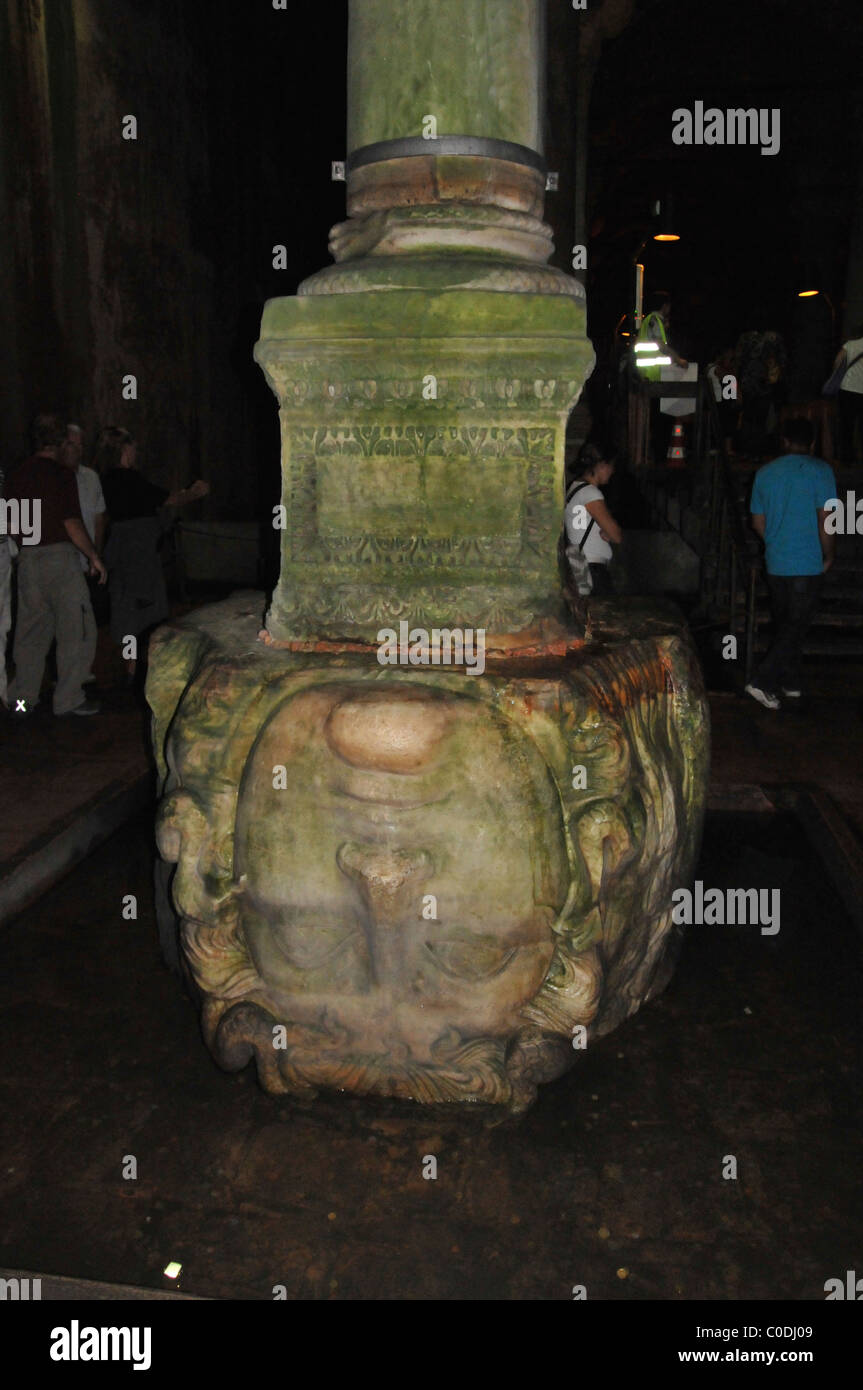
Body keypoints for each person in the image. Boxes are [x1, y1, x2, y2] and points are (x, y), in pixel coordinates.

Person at [4, 412, 107, 717]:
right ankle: (68, 699)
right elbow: (71, 522)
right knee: (78, 629)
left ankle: (22, 700)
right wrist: (93, 555)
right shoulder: (60, 474)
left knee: (31, 636)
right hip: (59, 561)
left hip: (28, 561)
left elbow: (11, 522)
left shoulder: (17, 475)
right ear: (60, 442)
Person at [96, 427, 208, 680]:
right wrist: (195, 492)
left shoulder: (104, 480)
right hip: (138, 554)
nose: (136, 452)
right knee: (143, 608)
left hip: (122, 553)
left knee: (126, 606)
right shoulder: (128, 480)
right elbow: (169, 499)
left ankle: (131, 665)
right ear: (124, 450)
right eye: (132, 447)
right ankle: (138, 669)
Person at [745, 417, 836, 710]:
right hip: (806, 561)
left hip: (777, 560)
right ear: (812, 443)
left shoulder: (765, 473)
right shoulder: (821, 472)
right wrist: (828, 553)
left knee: (786, 624)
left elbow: (757, 521)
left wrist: (775, 539)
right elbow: (827, 519)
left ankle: (790, 680)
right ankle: (762, 681)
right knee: (796, 624)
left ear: (784, 441)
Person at [564, 443, 623, 596]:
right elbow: (616, 535)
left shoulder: (574, 488)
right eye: (611, 466)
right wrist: (609, 530)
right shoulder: (591, 493)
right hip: (593, 569)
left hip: (580, 566)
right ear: (601, 465)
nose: (612, 471)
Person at [638, 292, 688, 464]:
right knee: (660, 421)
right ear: (665, 305)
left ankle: (654, 456)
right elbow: (660, 346)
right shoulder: (654, 320)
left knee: (655, 421)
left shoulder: (652, 321)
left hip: (651, 376)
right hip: (654, 377)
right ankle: (658, 458)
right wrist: (678, 360)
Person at [829, 324, 863, 464]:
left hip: (848, 389)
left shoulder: (850, 345)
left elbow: (837, 361)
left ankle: (847, 458)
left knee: (846, 425)